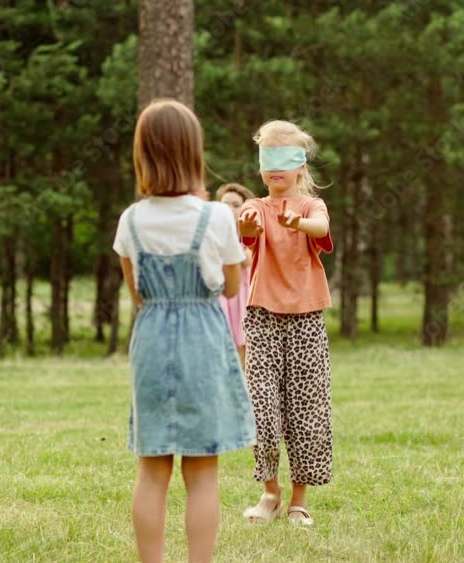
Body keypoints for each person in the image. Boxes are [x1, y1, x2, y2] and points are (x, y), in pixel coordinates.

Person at [113, 99, 256, 563]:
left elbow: (137, 292)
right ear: (194, 153)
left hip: (152, 341)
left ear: (143, 155)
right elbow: (231, 286)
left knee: (152, 471)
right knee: (202, 471)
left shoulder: (131, 220)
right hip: (203, 340)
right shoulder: (216, 216)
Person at [238, 120, 334, 526]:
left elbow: (322, 228)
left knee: (306, 410)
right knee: (262, 409)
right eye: (268, 158)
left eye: (285, 158)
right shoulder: (256, 207)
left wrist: (298, 223)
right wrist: (246, 226)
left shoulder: (312, 206)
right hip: (262, 316)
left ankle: (299, 500)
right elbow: (244, 230)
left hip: (306, 318)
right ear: (261, 167)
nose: (276, 167)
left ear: (300, 167)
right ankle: (270, 492)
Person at [216, 183, 256, 369]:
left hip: (244, 297)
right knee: (223, 348)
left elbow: (246, 260)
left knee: (245, 349)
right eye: (225, 204)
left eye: (235, 205)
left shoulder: (252, 235)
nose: (229, 209)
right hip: (222, 297)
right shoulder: (213, 234)